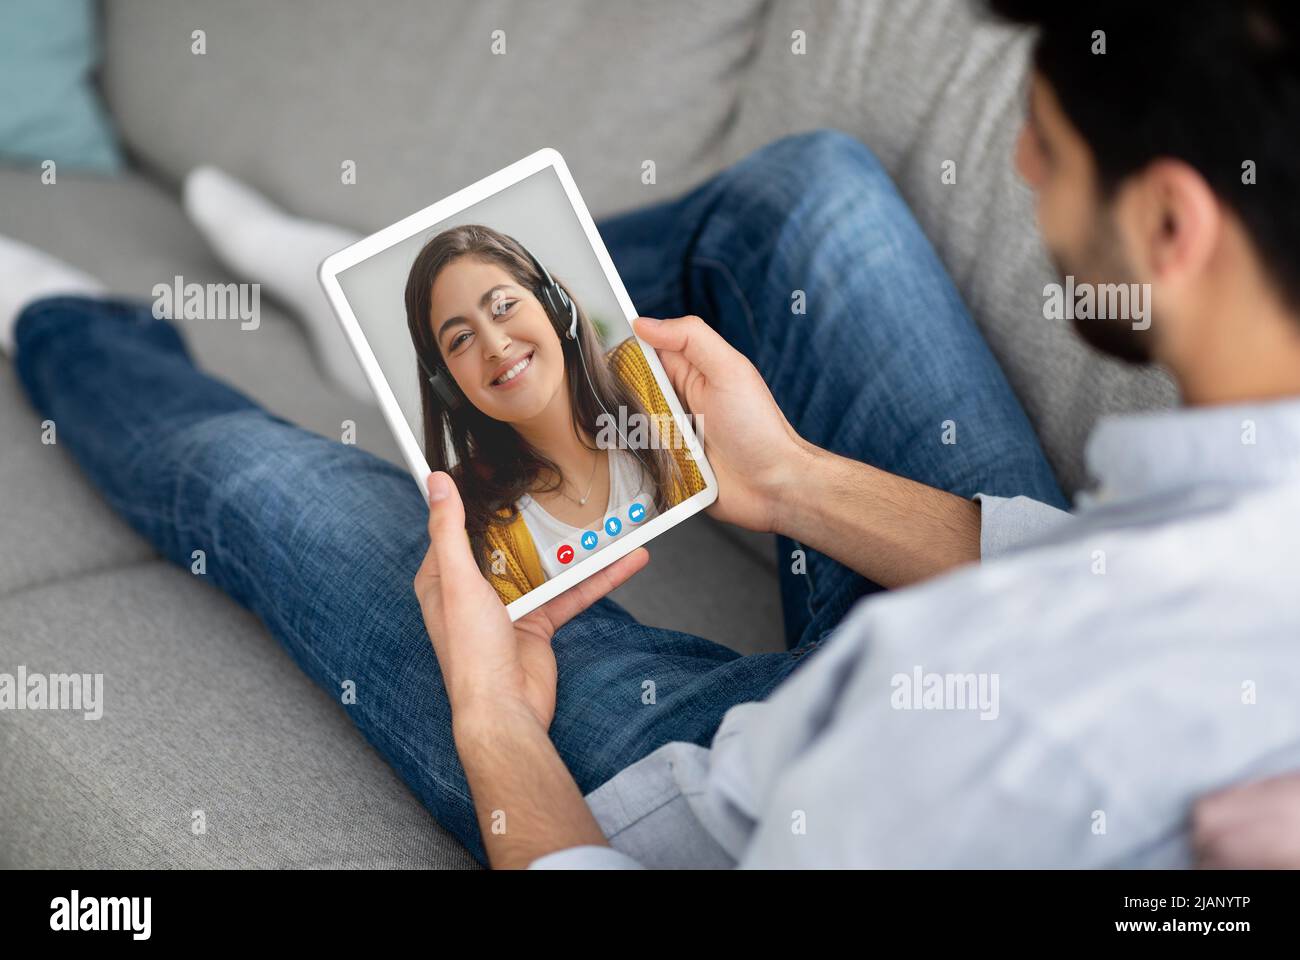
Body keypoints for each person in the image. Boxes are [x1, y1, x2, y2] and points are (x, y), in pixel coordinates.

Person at [1, 0, 1294, 870]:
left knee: (268, 490)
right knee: (813, 198)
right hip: (988, 631)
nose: (1020, 174)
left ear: (1175, 229)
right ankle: (377, 313)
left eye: (1051, 150)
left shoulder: (1007, 742)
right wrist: (793, 482)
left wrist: (495, 718)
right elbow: (1096, 586)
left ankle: (55, 324)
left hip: (782, 778)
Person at [401, 224, 703, 602]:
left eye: (503, 307)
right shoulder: (474, 523)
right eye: (461, 339)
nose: (495, 346)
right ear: (447, 385)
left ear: (554, 308)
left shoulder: (652, 378)